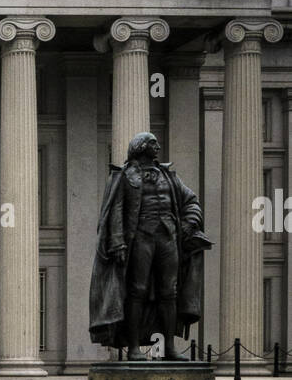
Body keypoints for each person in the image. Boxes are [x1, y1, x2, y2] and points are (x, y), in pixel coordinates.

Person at [89, 132, 211, 360]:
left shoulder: (168, 176)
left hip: (168, 237)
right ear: (141, 146)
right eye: (153, 143)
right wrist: (117, 242)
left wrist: (189, 223)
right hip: (140, 238)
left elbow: (191, 201)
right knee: (137, 291)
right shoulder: (124, 176)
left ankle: (169, 348)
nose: (158, 147)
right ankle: (134, 348)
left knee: (169, 292)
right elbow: (116, 210)